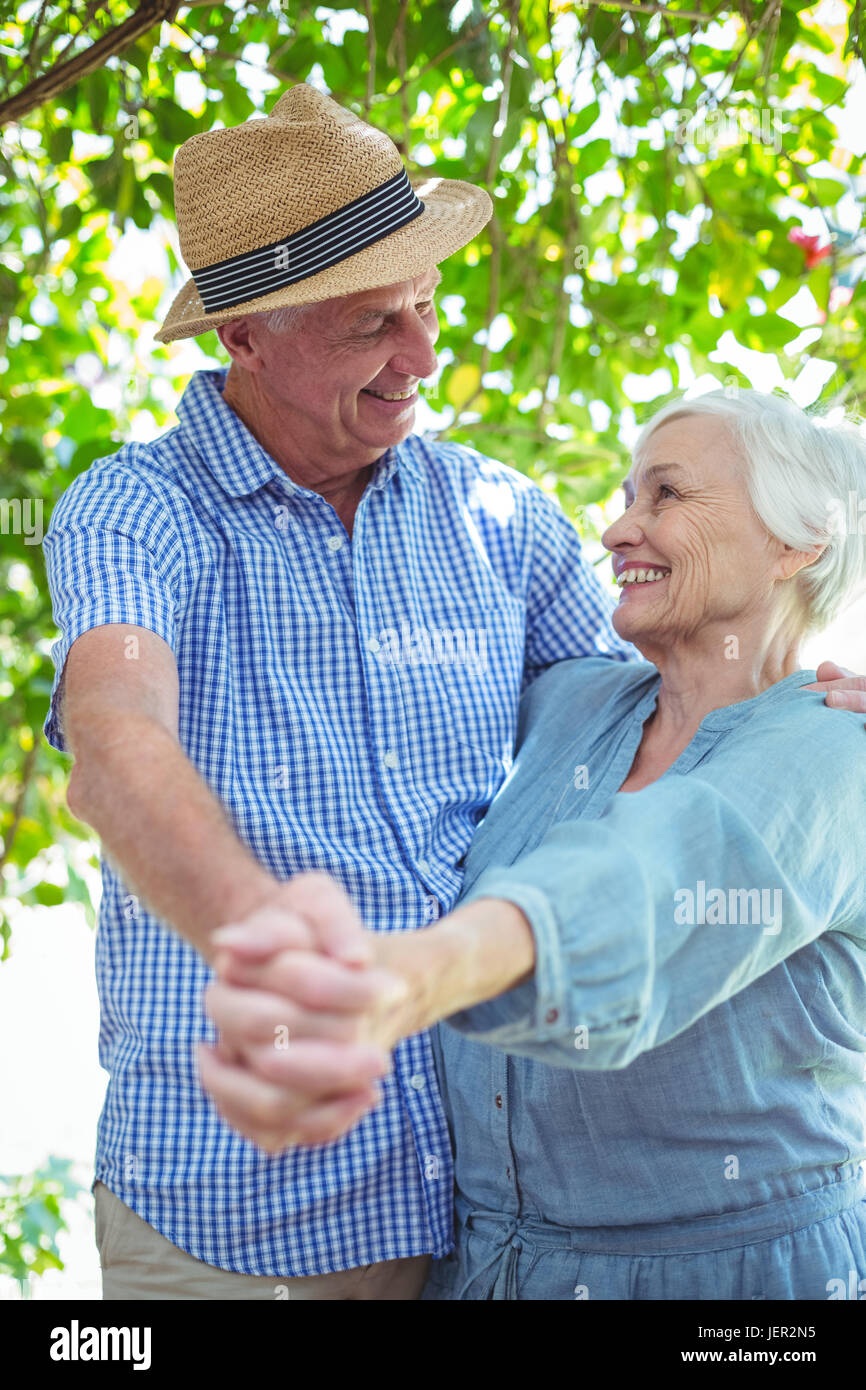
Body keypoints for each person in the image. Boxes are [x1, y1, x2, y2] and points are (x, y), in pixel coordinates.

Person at [43, 82, 864, 1301]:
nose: (422, 356)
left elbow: (670, 699)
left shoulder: (496, 518)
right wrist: (283, 962)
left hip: (459, 1226)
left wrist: (832, 671)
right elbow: (113, 740)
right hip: (228, 1220)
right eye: (373, 323)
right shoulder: (137, 510)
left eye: (425, 305)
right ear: (244, 334)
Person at [209, 388, 866, 1300]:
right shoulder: (578, 702)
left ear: (798, 543)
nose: (619, 530)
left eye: (667, 496)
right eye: (629, 496)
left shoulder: (834, 750)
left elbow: (650, 883)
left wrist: (413, 976)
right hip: (484, 1270)